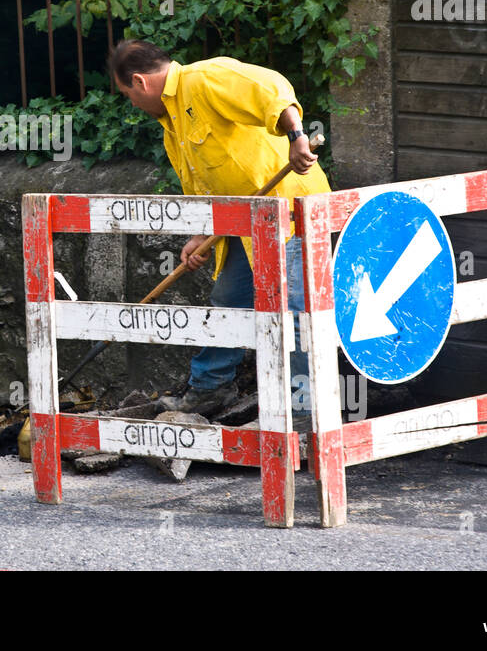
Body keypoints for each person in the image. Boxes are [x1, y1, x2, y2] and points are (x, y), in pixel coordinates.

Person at [111, 39, 331, 418]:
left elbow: (271, 88)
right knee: (230, 302)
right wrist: (200, 236)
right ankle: (211, 389)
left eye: (127, 94)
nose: (131, 103)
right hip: (243, 227)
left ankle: (305, 412)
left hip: (290, 215)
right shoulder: (172, 124)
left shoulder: (205, 78)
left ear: (139, 81)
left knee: (295, 313)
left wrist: (296, 137)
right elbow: (204, 189)